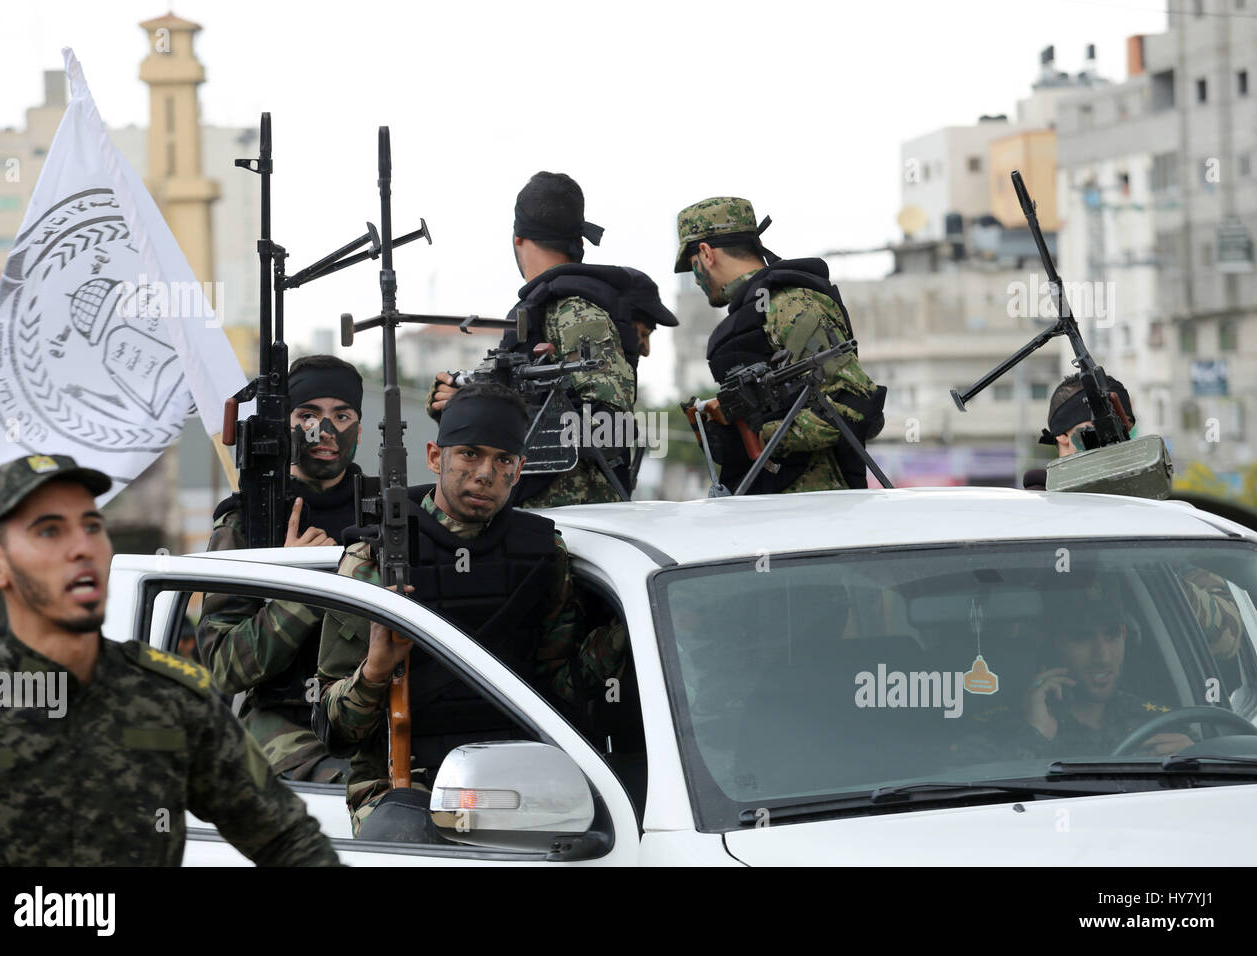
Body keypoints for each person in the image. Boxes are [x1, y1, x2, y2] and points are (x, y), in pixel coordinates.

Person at [0, 453, 339, 865]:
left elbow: (288, 840)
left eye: (91, 526)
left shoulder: (170, 699)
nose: (82, 547)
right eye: (49, 531)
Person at [314, 383, 625, 836]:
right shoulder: (373, 559)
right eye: (469, 454)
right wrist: (376, 671)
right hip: (406, 786)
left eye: (503, 460)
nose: (485, 474)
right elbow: (335, 730)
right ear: (436, 458)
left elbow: (563, 686)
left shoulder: (542, 553)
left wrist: (625, 633)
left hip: (521, 780)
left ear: (519, 472)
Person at [428, 172, 660, 507]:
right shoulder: (537, 311)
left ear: (517, 237)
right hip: (530, 511)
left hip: (576, 519)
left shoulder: (577, 313)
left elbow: (613, 429)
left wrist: (508, 418)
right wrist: (461, 399)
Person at [196, 354, 367, 782]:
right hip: (288, 725)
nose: (325, 431)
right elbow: (223, 668)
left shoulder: (386, 513)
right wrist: (299, 588)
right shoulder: (247, 523)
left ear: (359, 430)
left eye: (341, 415)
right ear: (284, 424)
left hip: (375, 716)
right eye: (308, 414)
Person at [1023, 373, 1242, 660]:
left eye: (1120, 431)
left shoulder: (1160, 523)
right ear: (1061, 434)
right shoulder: (1026, 524)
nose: (1110, 441)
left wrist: (1155, 563)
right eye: (1094, 429)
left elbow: (1228, 639)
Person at [676, 196, 885, 494]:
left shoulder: (790, 304)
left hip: (818, 510)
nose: (696, 280)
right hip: (772, 509)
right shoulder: (753, 313)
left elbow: (855, 404)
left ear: (707, 254)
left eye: (693, 265)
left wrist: (765, 435)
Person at [1015, 589, 1192, 759]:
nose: (1103, 657)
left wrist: (1195, 757)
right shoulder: (1006, 728)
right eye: (1082, 637)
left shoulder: (1160, 723)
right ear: (1051, 645)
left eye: (1112, 634)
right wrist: (1034, 737)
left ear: (1124, 635)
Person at [1021, 372, 1137, 491]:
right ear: (1062, 434)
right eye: (1102, 427)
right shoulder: (1039, 505)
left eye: (1125, 429)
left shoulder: (1140, 500)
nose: (1117, 438)